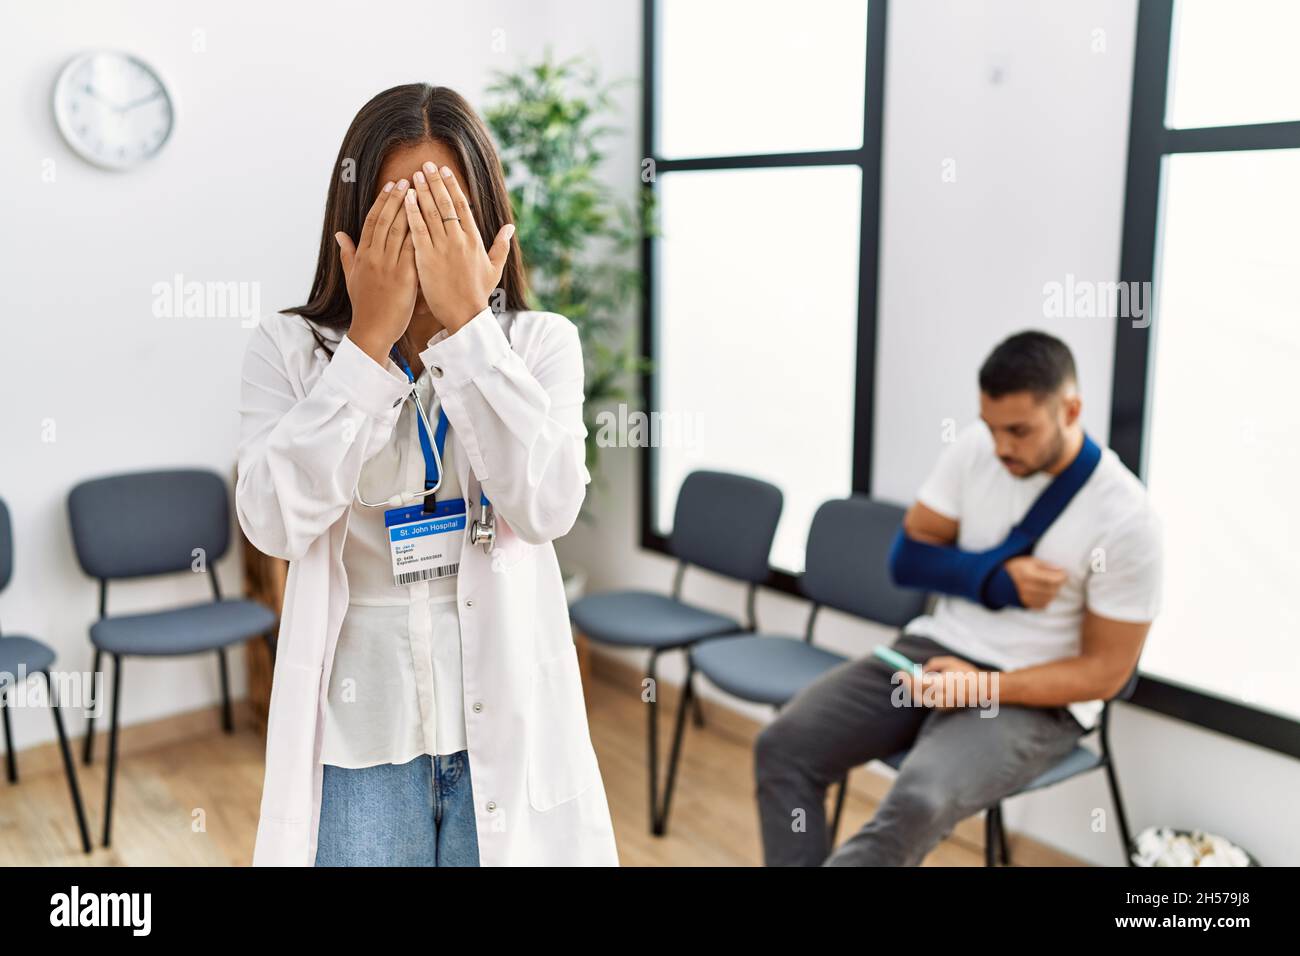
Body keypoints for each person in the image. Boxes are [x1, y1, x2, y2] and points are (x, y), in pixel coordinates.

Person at [236, 83, 618, 866]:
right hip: (359, 733)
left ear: (484, 224)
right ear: (352, 225)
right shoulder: (290, 350)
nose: (419, 233)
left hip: (503, 722)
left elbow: (545, 507)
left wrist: (473, 334)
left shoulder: (539, 345)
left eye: (442, 210)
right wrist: (366, 350)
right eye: (396, 208)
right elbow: (272, 523)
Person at [755, 330, 1161, 866]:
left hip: (1034, 694)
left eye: (1019, 430)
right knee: (784, 746)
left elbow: (1104, 674)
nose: (1002, 448)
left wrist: (984, 687)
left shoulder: (1128, 519)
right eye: (992, 428)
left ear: (1071, 409)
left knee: (919, 799)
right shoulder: (977, 449)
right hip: (935, 650)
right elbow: (908, 560)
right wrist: (992, 579)